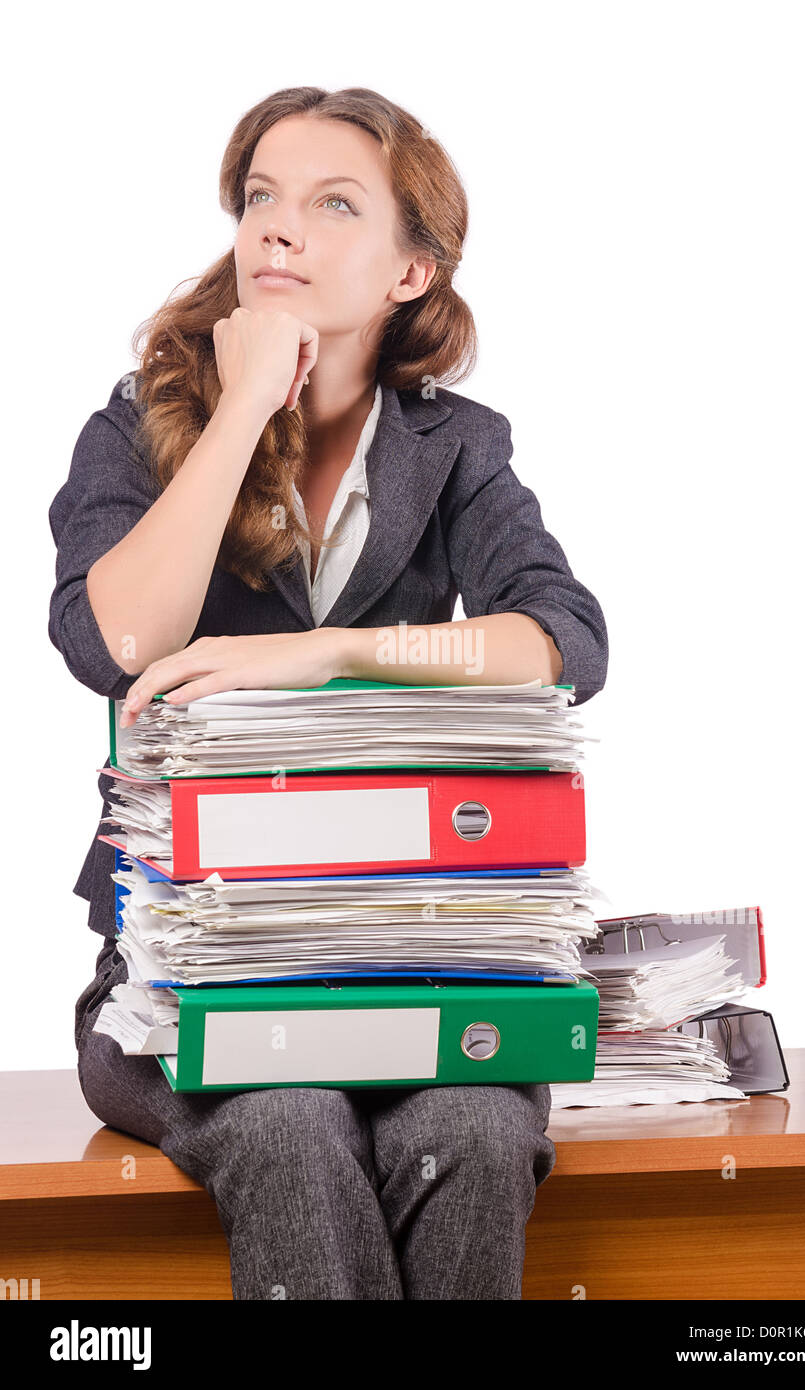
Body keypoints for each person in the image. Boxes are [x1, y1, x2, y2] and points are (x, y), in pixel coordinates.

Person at [48, 86, 609, 1300]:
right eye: (260, 199)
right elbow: (119, 637)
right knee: (291, 1125)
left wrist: (322, 654)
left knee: (471, 1132)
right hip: (184, 983)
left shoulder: (454, 448)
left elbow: (563, 638)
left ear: (413, 268)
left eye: (331, 204)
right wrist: (246, 399)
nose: (276, 231)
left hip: (414, 962)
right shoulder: (137, 430)